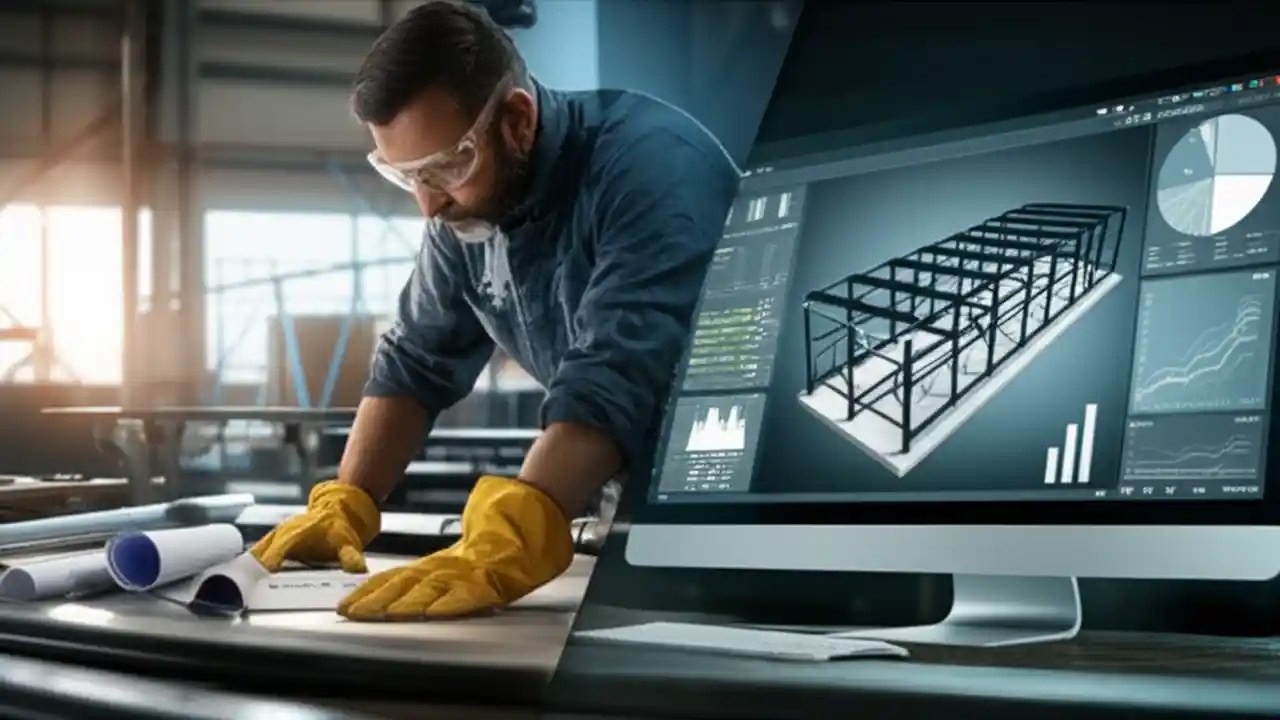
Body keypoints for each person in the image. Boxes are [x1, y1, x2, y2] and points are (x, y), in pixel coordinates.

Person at [249, 0, 740, 621]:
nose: (427, 206)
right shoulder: (465, 210)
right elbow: (415, 360)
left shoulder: (652, 167)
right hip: (636, 528)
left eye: (445, 167)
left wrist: (518, 526)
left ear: (517, 120)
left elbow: (619, 370)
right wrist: (347, 501)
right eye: (407, 178)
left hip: (760, 515)